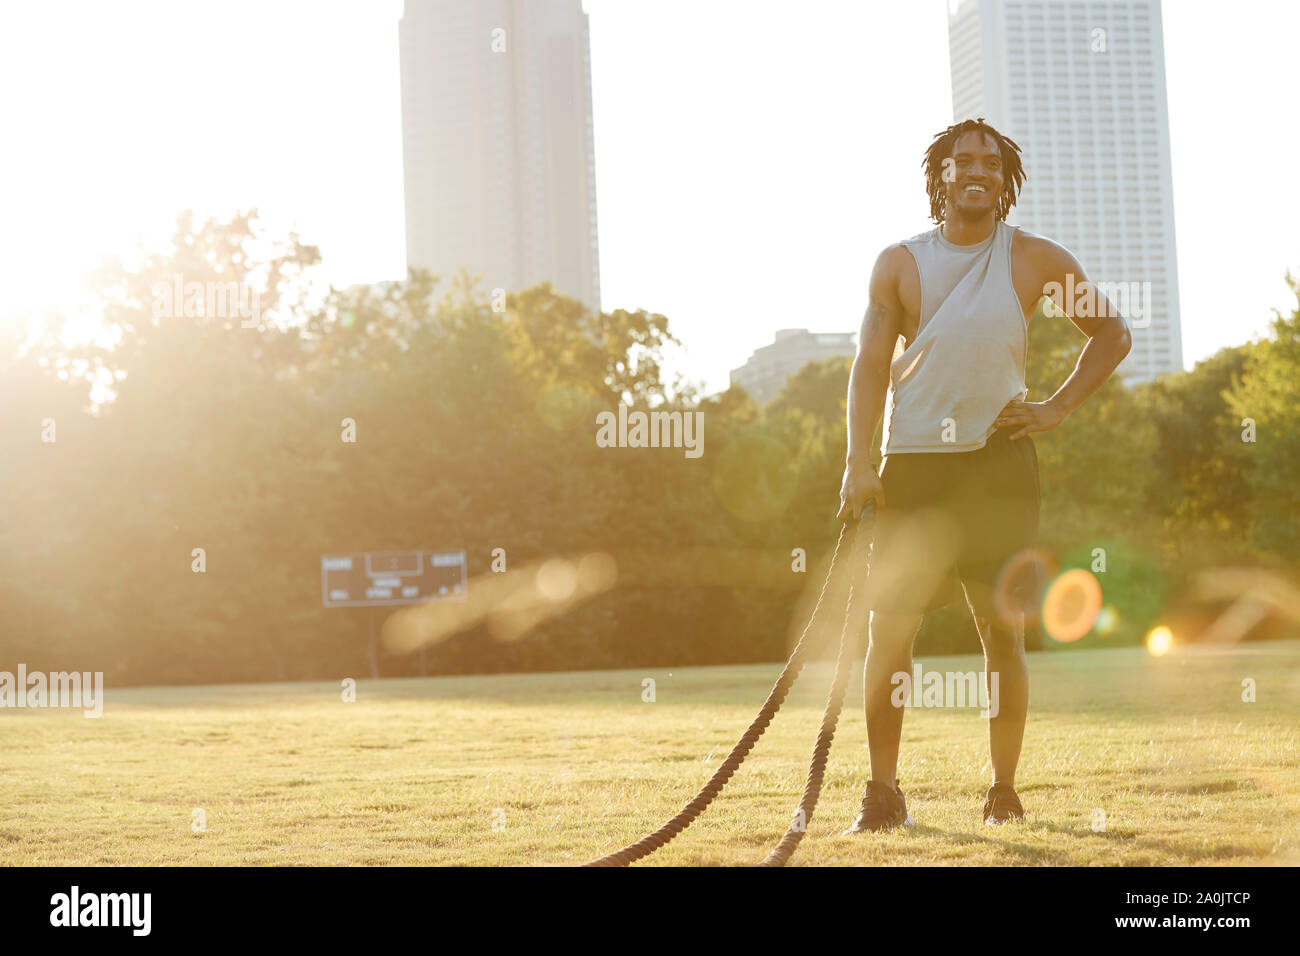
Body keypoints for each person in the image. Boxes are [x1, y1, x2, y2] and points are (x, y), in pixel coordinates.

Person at [837, 118, 1132, 831]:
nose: (976, 171)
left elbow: (1113, 333)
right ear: (939, 176)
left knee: (1002, 634)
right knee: (890, 634)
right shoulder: (899, 264)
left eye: (990, 164)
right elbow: (871, 367)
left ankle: (1003, 791)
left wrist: (1057, 406)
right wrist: (856, 461)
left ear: (1006, 182)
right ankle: (884, 795)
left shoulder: (1036, 260)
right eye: (961, 161)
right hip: (912, 468)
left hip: (998, 470)